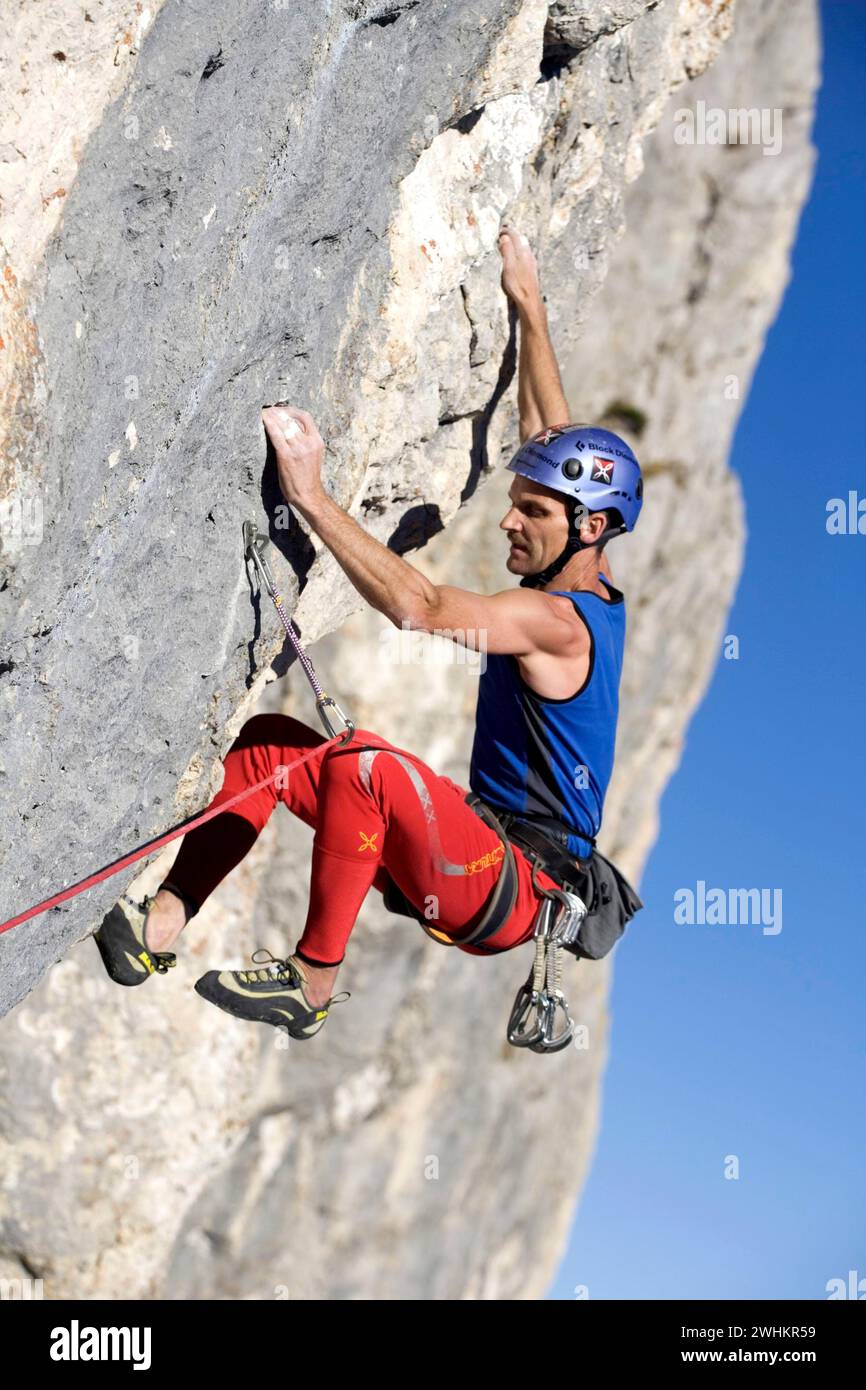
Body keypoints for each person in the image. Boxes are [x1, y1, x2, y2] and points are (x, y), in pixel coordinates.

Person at [94, 228, 643, 1041]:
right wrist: (527, 301)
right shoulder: (582, 570)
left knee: (370, 767)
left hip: (508, 887)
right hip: (476, 849)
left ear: (590, 525)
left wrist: (312, 498)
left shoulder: (558, 624)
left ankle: (312, 982)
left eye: (531, 511)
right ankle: (159, 928)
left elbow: (417, 607)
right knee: (269, 752)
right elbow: (547, 430)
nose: (509, 518)